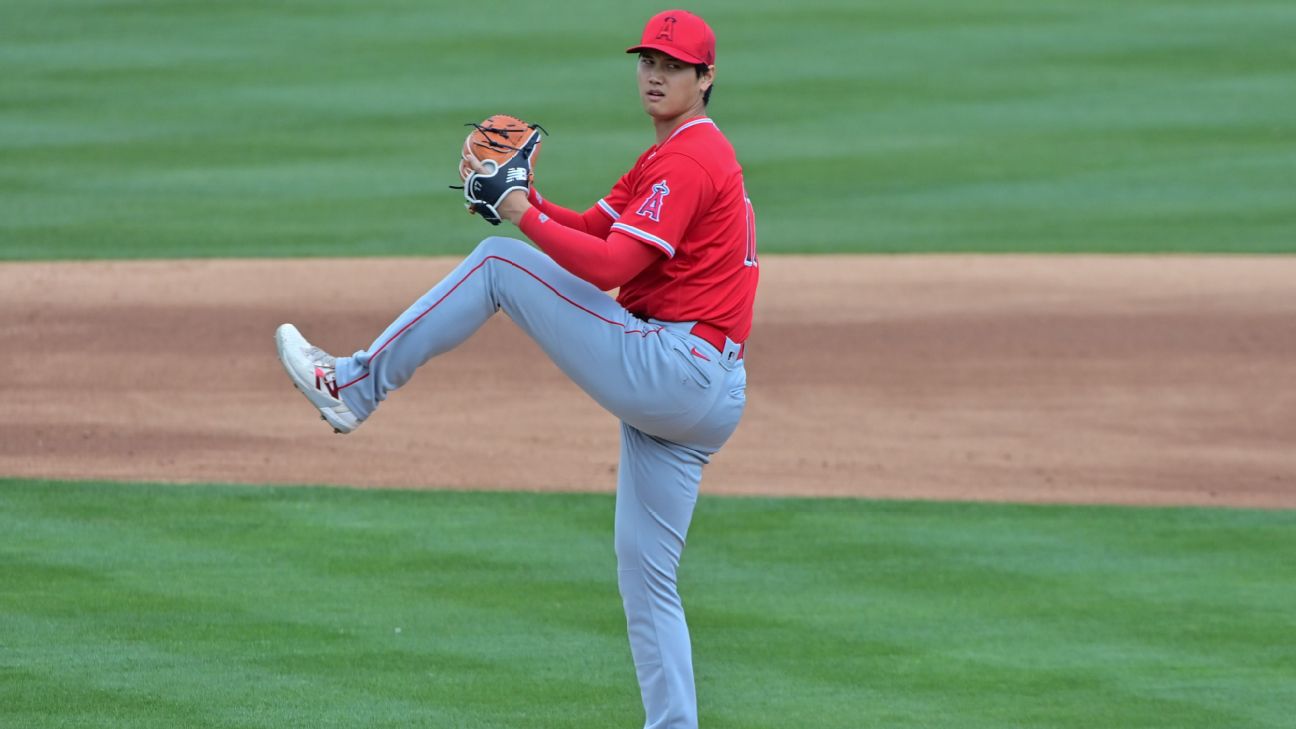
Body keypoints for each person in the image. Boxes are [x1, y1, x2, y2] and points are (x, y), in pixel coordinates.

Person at [274, 9, 757, 728]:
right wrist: (522, 196)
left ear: (706, 77)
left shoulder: (689, 159)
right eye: (647, 61)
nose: (655, 74)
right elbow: (595, 227)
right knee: (646, 575)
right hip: (704, 389)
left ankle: (352, 385)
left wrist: (517, 213)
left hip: (674, 365)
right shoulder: (670, 155)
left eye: (674, 65)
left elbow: (611, 268)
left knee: (500, 262)